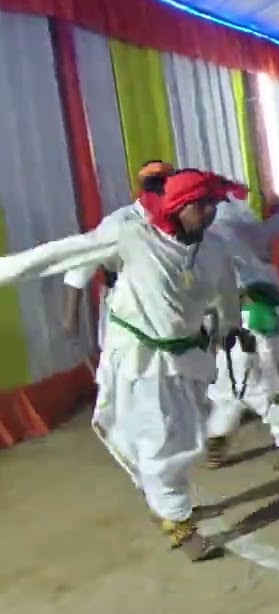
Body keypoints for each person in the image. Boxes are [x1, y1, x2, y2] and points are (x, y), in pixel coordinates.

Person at [0, 170, 245, 561]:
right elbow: (59, 255)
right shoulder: (131, 235)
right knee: (164, 438)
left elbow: (226, 293)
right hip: (138, 357)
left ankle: (162, 494)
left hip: (188, 357)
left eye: (213, 205)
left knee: (188, 432)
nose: (211, 213)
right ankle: (179, 524)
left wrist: (230, 328)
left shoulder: (213, 249)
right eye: (202, 206)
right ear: (179, 207)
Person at [205, 182, 279, 471]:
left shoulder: (212, 232)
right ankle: (221, 435)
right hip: (249, 308)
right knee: (242, 377)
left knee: (254, 378)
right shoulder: (232, 219)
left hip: (252, 310)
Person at [61, 160, 173, 347]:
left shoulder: (182, 219)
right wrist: (70, 319)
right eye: (155, 187)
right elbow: (80, 266)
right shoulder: (119, 223)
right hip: (127, 310)